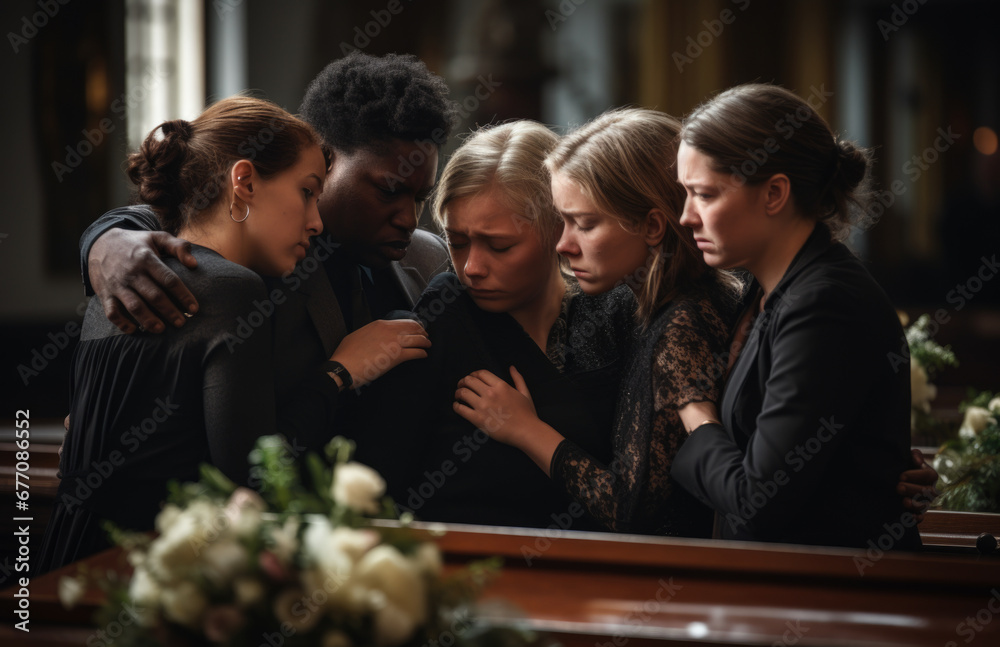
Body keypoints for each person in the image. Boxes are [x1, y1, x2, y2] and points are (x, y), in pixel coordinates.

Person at [75, 52, 456, 446]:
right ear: (326, 160)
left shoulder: (430, 260)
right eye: (389, 190)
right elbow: (180, 215)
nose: (409, 219)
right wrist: (104, 238)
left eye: (420, 197)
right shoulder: (249, 259)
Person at [36, 97, 332, 575]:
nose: (317, 221)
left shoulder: (116, 281)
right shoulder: (234, 290)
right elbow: (253, 480)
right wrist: (338, 377)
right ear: (245, 181)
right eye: (308, 191)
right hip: (149, 576)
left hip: (66, 562)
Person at [452, 109, 738, 536]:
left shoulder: (682, 323)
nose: (563, 244)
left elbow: (629, 511)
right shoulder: (665, 306)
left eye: (584, 224)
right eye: (562, 221)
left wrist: (527, 429)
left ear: (653, 225)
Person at [670, 83, 922, 549]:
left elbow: (757, 502)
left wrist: (696, 417)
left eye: (703, 194)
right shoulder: (763, 289)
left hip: (835, 597)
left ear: (774, 193)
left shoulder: (825, 303)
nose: (686, 216)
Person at [350, 121, 636, 530]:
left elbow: (639, 499)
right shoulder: (444, 317)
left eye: (499, 246)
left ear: (559, 228)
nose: (471, 268)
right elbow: (378, 486)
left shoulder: (612, 310)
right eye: (457, 241)